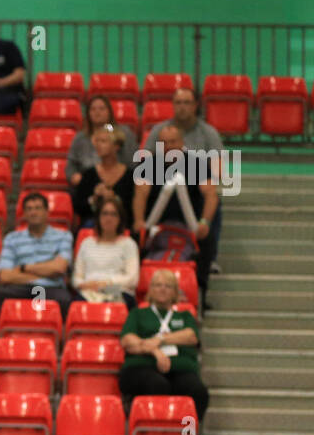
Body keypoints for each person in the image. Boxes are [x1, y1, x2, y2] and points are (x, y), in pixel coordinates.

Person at [137, 89, 224, 295]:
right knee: (135, 229)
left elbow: (216, 178)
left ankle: (201, 286)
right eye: (178, 102)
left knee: (212, 208)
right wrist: (139, 221)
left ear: (195, 105)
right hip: (158, 205)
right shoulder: (158, 132)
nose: (182, 106)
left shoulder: (208, 134)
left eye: (187, 102)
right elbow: (141, 185)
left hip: (193, 202)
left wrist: (204, 222)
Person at [119, 268, 209, 422]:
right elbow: (128, 341)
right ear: (150, 290)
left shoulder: (184, 316)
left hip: (179, 370)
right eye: (158, 285)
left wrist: (160, 340)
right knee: (158, 386)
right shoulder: (138, 314)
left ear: (175, 292)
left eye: (168, 286)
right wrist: (155, 351)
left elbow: (191, 336)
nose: (162, 289)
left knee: (197, 391)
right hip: (142, 369)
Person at [0, 192, 74, 326]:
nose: (33, 212)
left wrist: (24, 268)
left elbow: (59, 268)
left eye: (37, 208)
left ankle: (59, 343)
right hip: (20, 288)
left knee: (64, 301)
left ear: (46, 212)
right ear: (24, 214)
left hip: (49, 288)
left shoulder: (63, 236)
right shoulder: (12, 238)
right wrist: (47, 272)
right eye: (29, 209)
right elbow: (5, 276)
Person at [72, 199, 139, 307]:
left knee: (116, 305)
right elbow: (76, 277)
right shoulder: (86, 243)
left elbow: (132, 279)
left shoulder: (129, 244)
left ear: (120, 219)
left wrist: (107, 283)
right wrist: (84, 284)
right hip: (89, 290)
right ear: (98, 218)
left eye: (113, 214)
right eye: (105, 213)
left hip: (117, 289)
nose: (109, 218)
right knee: (77, 305)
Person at [72, 124, 136, 227]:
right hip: (93, 226)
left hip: (122, 227)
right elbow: (78, 207)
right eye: (97, 141)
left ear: (116, 146)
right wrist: (94, 199)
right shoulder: (89, 174)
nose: (98, 145)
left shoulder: (130, 175)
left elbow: (133, 210)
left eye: (103, 141)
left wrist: (114, 199)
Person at [68, 95, 136, 183]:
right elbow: (71, 164)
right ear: (88, 114)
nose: (97, 112)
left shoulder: (124, 133)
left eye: (102, 108)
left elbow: (132, 163)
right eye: (93, 109)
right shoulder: (80, 138)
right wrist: (74, 176)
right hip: (86, 183)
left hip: (119, 182)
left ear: (109, 112)